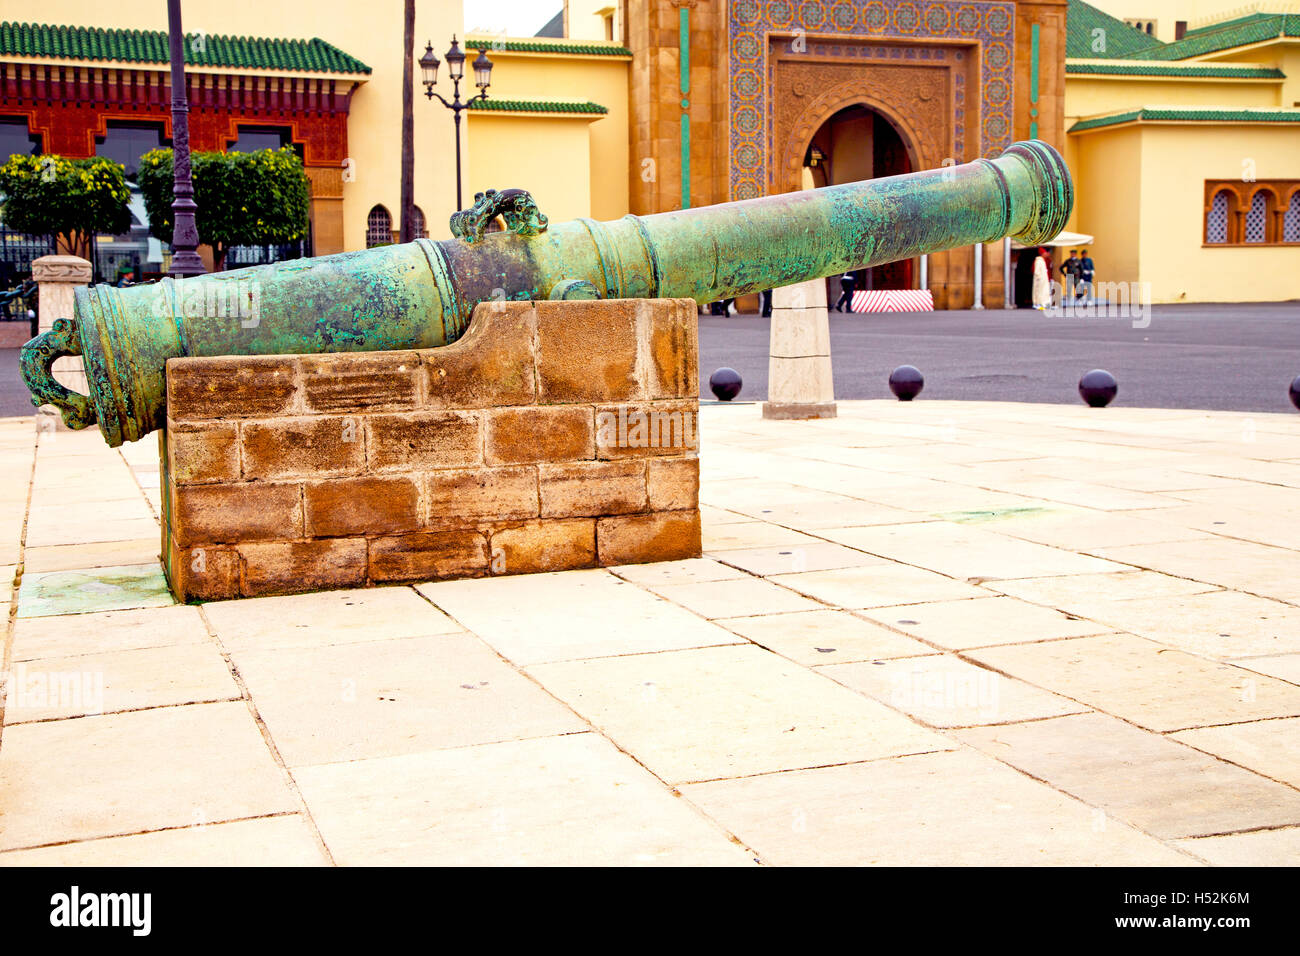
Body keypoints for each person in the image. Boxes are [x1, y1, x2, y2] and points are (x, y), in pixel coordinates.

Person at [1031, 246, 1051, 310]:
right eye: (1045, 252)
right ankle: (1038, 304)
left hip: (1043, 280)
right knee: (1039, 292)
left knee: (1044, 292)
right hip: (1040, 280)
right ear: (1042, 253)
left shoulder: (1043, 261)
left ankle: (1043, 303)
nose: (1046, 254)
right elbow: (1037, 271)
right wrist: (1039, 278)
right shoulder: (1038, 261)